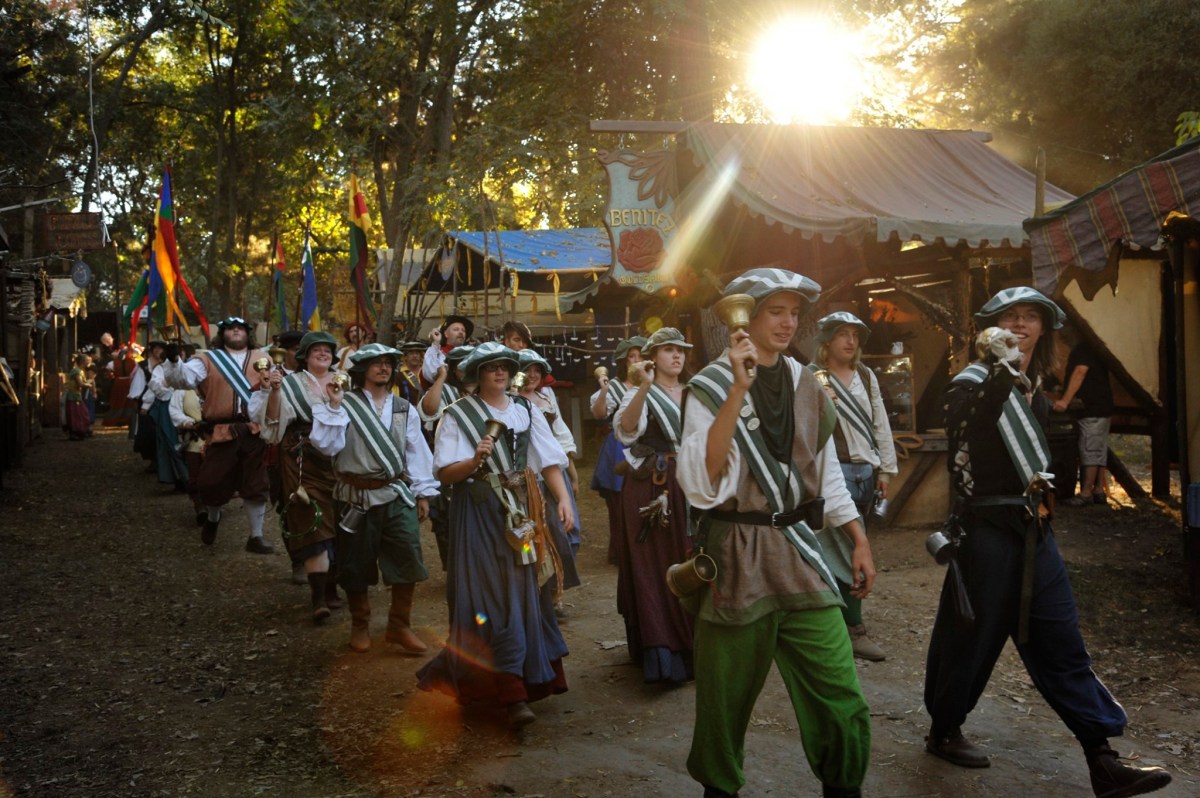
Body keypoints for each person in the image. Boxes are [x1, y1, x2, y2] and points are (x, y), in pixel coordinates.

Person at [923, 286, 1171, 798]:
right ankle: (944, 729)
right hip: (986, 536)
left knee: (1062, 642)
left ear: (1044, 329)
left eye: (1031, 317)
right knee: (969, 641)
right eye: (1010, 317)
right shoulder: (969, 384)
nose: (1021, 325)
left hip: (1035, 535)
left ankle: (1101, 758)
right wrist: (999, 372)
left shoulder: (1035, 390)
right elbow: (966, 430)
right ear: (989, 329)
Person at [676, 267, 874, 798]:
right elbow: (701, 482)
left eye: (793, 312)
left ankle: (844, 787)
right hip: (735, 554)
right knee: (724, 700)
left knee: (840, 694)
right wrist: (739, 390)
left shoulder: (807, 384)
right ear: (750, 315)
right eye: (774, 311)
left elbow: (826, 472)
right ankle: (720, 790)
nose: (787, 323)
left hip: (799, 552)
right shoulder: (712, 385)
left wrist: (857, 538)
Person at [417, 342, 574, 728]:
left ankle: (523, 678)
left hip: (522, 511)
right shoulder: (457, 416)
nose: (499, 373)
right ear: (477, 375)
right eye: (490, 368)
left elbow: (549, 460)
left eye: (504, 366)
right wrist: (473, 461)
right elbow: (444, 474)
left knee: (524, 587)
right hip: (480, 512)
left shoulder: (525, 409)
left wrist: (564, 500)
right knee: (489, 592)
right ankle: (506, 687)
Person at [309, 343, 440, 653]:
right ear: (360, 370)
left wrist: (423, 493)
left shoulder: (403, 408)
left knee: (408, 557)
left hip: (395, 493)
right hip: (354, 496)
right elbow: (326, 446)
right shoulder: (340, 404)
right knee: (355, 564)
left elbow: (416, 451)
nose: (383, 368)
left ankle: (399, 625)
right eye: (376, 363)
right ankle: (360, 623)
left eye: (387, 363)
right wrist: (332, 407)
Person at [810, 311, 898, 662]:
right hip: (832, 474)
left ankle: (842, 623)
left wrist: (886, 470)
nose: (850, 341)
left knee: (854, 547)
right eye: (842, 334)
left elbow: (881, 423)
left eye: (855, 335)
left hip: (865, 472)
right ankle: (853, 629)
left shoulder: (866, 375)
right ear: (827, 341)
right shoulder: (812, 377)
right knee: (842, 549)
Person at [612, 327, 696, 685]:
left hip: (692, 484)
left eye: (680, 351)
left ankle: (697, 646)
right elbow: (626, 432)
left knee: (691, 559)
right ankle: (664, 651)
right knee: (655, 566)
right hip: (652, 489)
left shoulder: (696, 393)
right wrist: (644, 386)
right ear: (653, 357)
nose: (676, 356)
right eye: (668, 351)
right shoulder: (638, 392)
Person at [162, 317, 275, 554]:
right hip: (221, 430)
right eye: (231, 328)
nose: (236, 330)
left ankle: (256, 536)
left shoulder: (263, 359)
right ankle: (213, 518)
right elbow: (183, 379)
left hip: (253, 430)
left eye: (241, 328)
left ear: (247, 333)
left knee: (256, 484)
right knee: (211, 482)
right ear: (222, 334)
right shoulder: (206, 359)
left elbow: (274, 391)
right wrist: (174, 361)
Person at [254, 331, 344, 623]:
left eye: (327, 349)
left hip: (341, 460)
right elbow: (271, 426)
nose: (322, 353)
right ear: (304, 355)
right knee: (311, 519)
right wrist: (275, 392)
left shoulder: (346, 381)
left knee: (342, 521)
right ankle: (318, 597)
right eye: (315, 349)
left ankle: (332, 587)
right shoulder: (290, 384)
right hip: (301, 459)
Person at [515, 349, 582, 615]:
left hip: (555, 472)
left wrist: (573, 477)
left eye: (537, 370)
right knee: (534, 535)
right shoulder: (510, 402)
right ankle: (539, 597)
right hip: (525, 479)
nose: (532, 374)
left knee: (566, 534)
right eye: (526, 369)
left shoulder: (546, 398)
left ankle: (556, 591)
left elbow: (562, 439)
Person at [589, 336, 647, 564]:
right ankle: (622, 553)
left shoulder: (653, 382)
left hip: (645, 447)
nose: (636, 360)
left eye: (640, 355)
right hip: (618, 447)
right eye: (631, 356)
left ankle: (642, 551)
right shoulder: (615, 385)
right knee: (620, 503)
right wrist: (604, 390)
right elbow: (599, 414)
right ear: (623, 361)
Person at [419, 344, 475, 569]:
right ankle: (453, 566)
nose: (465, 370)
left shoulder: (486, 390)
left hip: (479, 462)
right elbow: (430, 410)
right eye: (460, 366)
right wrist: (440, 378)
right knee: (443, 517)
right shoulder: (446, 391)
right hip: (447, 459)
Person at [1053, 338, 1114, 507]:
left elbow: (1080, 371)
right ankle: (1098, 490)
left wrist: (1065, 400)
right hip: (1103, 405)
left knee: (1089, 448)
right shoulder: (1095, 347)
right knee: (1098, 447)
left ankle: (1086, 493)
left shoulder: (1083, 349)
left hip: (1092, 407)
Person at [130, 341, 166, 470]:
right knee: (148, 431)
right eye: (156, 348)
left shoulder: (166, 364)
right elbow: (138, 384)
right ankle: (153, 459)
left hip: (163, 399)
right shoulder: (143, 366)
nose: (158, 351)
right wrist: (138, 401)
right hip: (146, 401)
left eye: (161, 348)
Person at [420, 314, 473, 387]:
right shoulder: (438, 353)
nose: (461, 332)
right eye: (456, 329)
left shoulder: (471, 354)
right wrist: (436, 343)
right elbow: (431, 374)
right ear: (446, 334)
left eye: (463, 330)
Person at [64, 353, 94, 440]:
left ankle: (82, 430)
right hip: (73, 396)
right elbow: (80, 383)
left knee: (82, 413)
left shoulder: (81, 371)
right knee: (75, 415)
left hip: (78, 395)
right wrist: (88, 384)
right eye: (86, 360)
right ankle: (75, 432)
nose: (88, 362)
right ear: (82, 361)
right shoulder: (76, 371)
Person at [396, 341, 426, 406]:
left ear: (421, 356)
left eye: (417, 353)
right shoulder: (398, 376)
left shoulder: (426, 373)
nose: (415, 356)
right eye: (411, 353)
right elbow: (395, 400)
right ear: (405, 357)